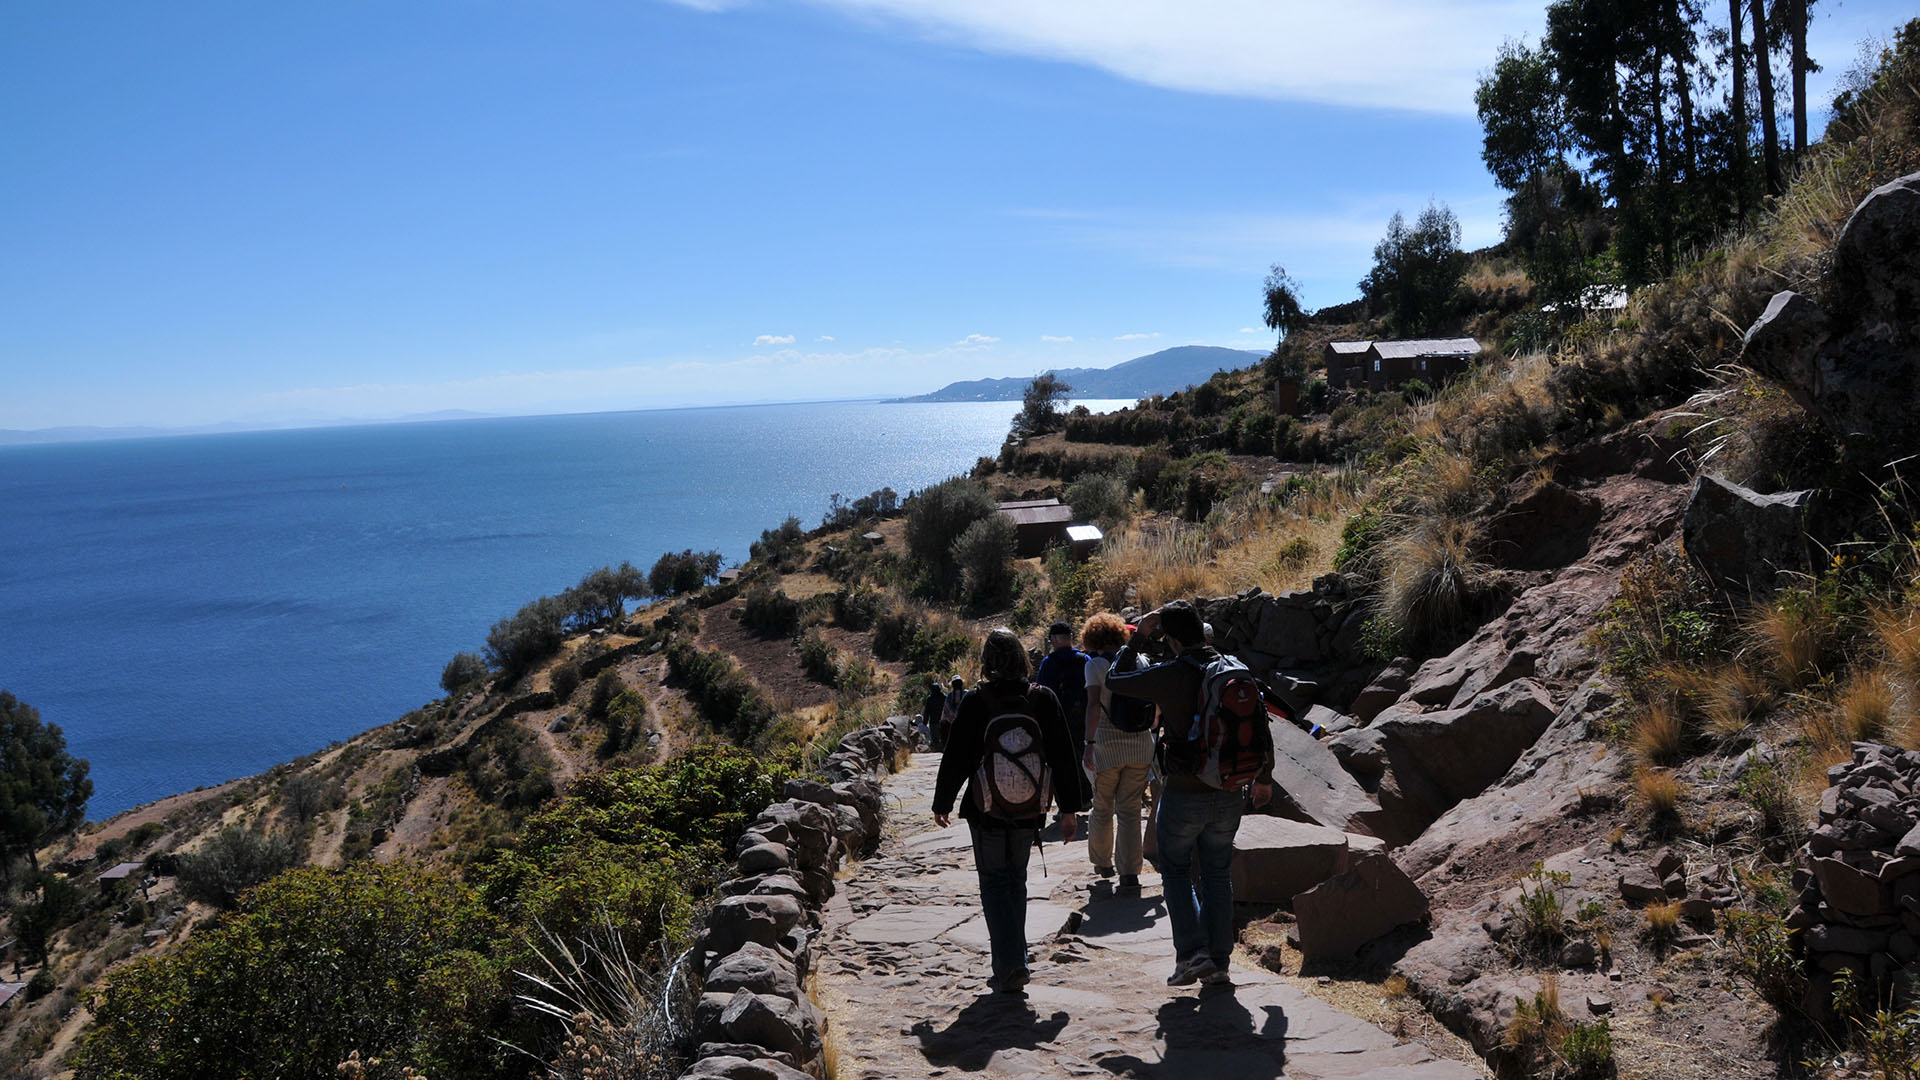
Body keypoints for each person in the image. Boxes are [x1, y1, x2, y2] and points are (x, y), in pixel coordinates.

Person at [1107, 600, 1275, 988]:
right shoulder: (1234, 669)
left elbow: (1117, 679)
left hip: (1185, 791)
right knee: (1217, 873)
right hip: (1232, 790)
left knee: (1177, 870)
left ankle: (1191, 955)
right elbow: (1261, 727)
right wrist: (1264, 777)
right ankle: (1219, 960)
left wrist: (1138, 637)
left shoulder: (1172, 673)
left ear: (1172, 640)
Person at [933, 629, 1086, 994]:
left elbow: (956, 758)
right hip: (1029, 809)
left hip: (986, 809)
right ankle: (1015, 959)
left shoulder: (976, 701)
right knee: (1016, 881)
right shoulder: (1042, 699)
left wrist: (943, 803)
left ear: (987, 662)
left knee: (995, 883)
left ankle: (1010, 964)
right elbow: (1064, 758)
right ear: (1021, 658)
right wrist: (1068, 810)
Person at [1079, 612, 1157, 891]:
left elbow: (1092, 706)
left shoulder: (1095, 666)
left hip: (1106, 746)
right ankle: (1130, 873)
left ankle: (1103, 863)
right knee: (1131, 810)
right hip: (1140, 746)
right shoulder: (1142, 661)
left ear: (1093, 638)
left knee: (1102, 806)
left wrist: (1089, 744)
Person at [1034, 621, 1090, 755]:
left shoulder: (1048, 663)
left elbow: (1042, 692)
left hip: (1060, 722)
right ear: (1070, 637)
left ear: (1053, 639)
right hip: (1086, 721)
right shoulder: (1085, 659)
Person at [937, 675, 965, 751]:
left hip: (951, 724)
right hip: (964, 723)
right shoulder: (967, 694)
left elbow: (946, 712)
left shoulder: (949, 696)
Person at [922, 678, 950, 750]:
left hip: (934, 721)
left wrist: (925, 721)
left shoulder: (930, 698)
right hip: (943, 720)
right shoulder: (944, 697)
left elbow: (927, 711)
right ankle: (943, 750)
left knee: (935, 738)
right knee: (943, 736)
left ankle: (937, 750)